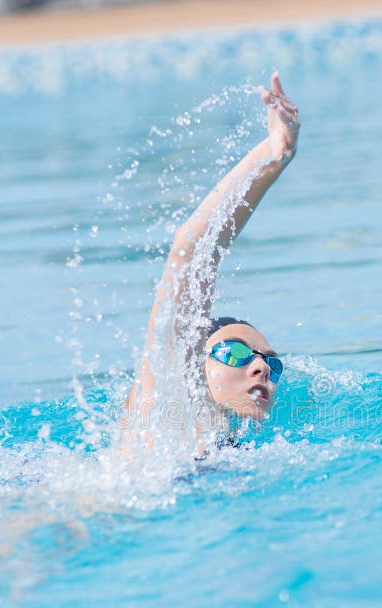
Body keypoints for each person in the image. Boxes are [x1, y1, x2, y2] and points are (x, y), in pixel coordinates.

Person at [122, 72, 300, 456]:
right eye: (234, 352)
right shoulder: (166, 406)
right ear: (192, 362)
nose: (261, 368)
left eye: (271, 363)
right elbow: (191, 249)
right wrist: (274, 155)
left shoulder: (225, 444)